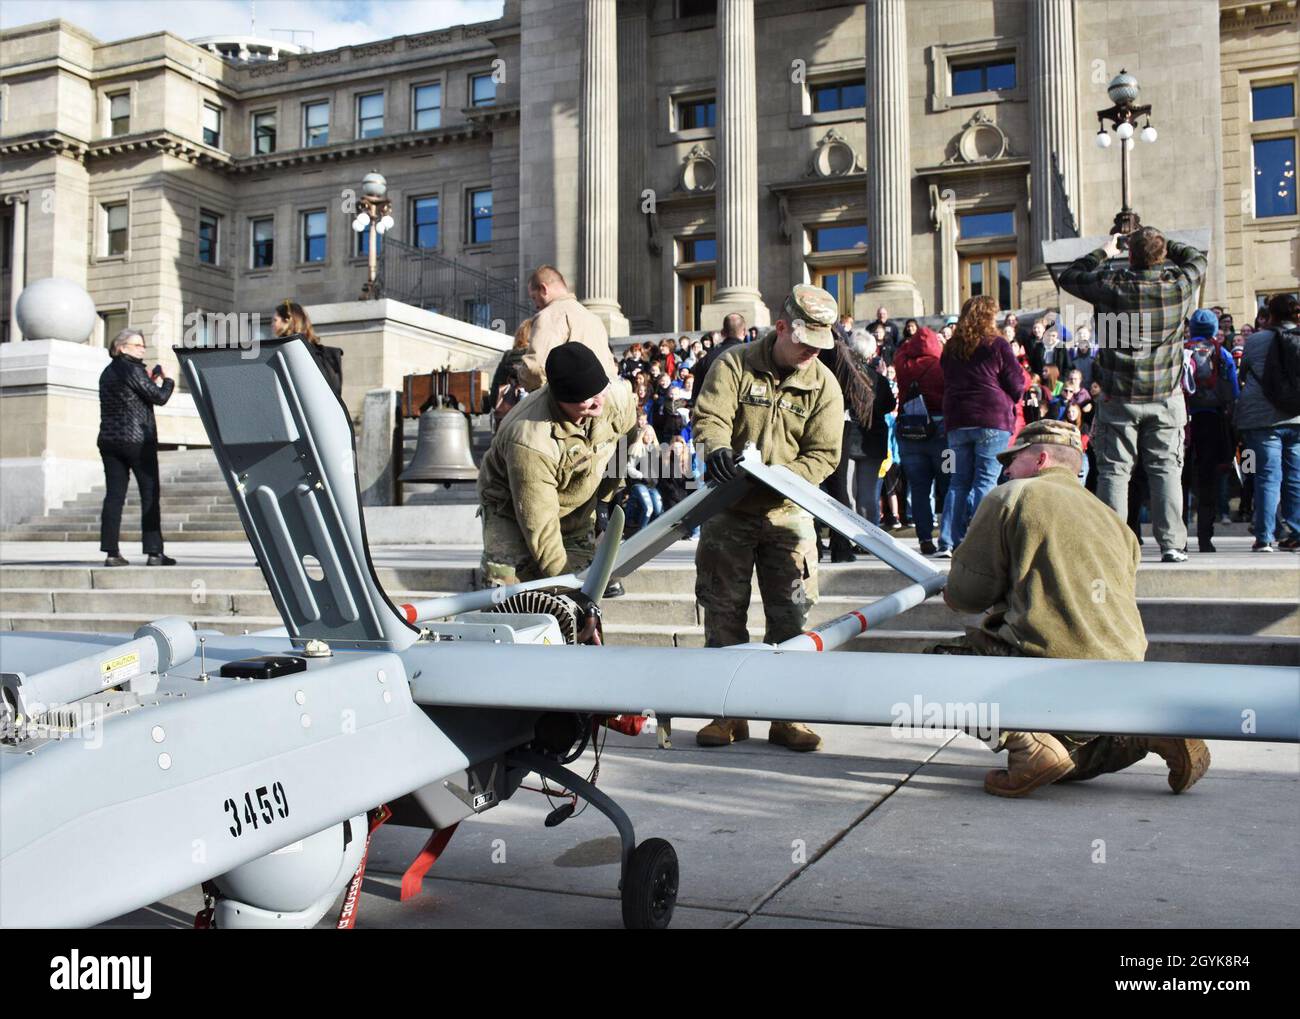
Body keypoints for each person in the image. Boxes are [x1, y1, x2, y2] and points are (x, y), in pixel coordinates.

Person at [936, 418, 1210, 798]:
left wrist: (953, 592)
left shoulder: (1012, 496)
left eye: (1012, 461)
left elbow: (969, 595)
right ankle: (1153, 730)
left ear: (1040, 459)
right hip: (1123, 677)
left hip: (1049, 667)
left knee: (935, 667)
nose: (1006, 469)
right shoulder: (1114, 521)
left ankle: (1023, 742)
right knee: (1063, 763)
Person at [691, 284, 845, 752]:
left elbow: (824, 455)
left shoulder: (824, 385)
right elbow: (710, 417)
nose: (811, 354)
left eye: (821, 346)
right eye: (804, 343)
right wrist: (716, 450)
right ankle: (726, 713)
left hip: (788, 515)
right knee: (722, 614)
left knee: (791, 620)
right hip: (728, 512)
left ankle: (786, 717)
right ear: (781, 328)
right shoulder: (734, 364)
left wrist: (781, 479)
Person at [1058, 227, 1207, 563]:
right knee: (1166, 468)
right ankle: (1171, 544)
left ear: (1131, 255)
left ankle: (1113, 544)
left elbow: (1070, 275)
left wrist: (1105, 250)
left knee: (1114, 470)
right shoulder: (1179, 285)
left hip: (1119, 396)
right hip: (1165, 395)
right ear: (1162, 254)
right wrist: (1171, 245)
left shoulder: (1112, 287)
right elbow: (1196, 259)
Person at [476, 343, 636, 586]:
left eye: (600, 390)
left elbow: (625, 442)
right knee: (510, 593)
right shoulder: (530, 440)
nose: (598, 402)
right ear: (562, 399)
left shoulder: (617, 397)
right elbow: (539, 525)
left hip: (575, 505)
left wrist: (605, 500)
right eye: (587, 398)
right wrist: (566, 583)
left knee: (584, 585)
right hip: (512, 508)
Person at [936, 294, 1025, 556]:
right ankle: (977, 540)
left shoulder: (951, 347)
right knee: (985, 480)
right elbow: (1017, 384)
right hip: (991, 419)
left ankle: (947, 541)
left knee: (957, 481)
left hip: (956, 421)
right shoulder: (997, 344)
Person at [97, 328, 176, 567]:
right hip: (138, 442)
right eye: (137, 345)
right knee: (149, 494)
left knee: (114, 497)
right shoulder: (133, 369)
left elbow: (131, 396)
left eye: (143, 345)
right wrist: (168, 379)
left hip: (110, 441)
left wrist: (147, 381)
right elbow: (160, 397)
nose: (142, 349)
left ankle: (111, 553)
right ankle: (154, 552)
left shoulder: (107, 372)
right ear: (121, 347)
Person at [1235, 294, 1300, 552]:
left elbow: (1244, 372)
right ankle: (1297, 532)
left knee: (1266, 477)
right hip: (1296, 417)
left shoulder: (1255, 341)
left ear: (1269, 314)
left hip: (1260, 418)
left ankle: (1264, 536)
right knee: (1295, 476)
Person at [1181, 309, 1239, 552]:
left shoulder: (1181, 350)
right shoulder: (1221, 352)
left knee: (1179, 479)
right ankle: (1205, 537)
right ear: (1214, 329)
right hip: (1212, 421)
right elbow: (1234, 391)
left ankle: (1178, 537)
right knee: (1208, 479)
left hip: (1183, 421)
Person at [518, 265, 618, 390]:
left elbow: (537, 369)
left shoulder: (550, 314)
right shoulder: (594, 319)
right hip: (605, 397)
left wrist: (521, 374)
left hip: (573, 402)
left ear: (544, 289)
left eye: (534, 297)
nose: (535, 305)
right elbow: (611, 367)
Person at [894, 325, 948, 555]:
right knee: (949, 485)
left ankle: (925, 538)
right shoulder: (943, 363)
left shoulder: (904, 363)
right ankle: (948, 537)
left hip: (911, 430)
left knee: (918, 488)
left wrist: (910, 344)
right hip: (943, 431)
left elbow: (900, 352)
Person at [274, 300, 342, 396]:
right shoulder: (317, 352)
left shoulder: (283, 351)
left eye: (275, 320)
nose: (272, 325)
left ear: (287, 321)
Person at [688, 312, 746, 405]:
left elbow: (696, 396)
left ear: (722, 332)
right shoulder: (751, 356)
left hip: (711, 410)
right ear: (744, 332)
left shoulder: (706, 359)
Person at [489, 319, 531, 430]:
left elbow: (495, 392)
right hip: (531, 418)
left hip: (506, 419)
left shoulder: (508, 356)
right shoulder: (538, 357)